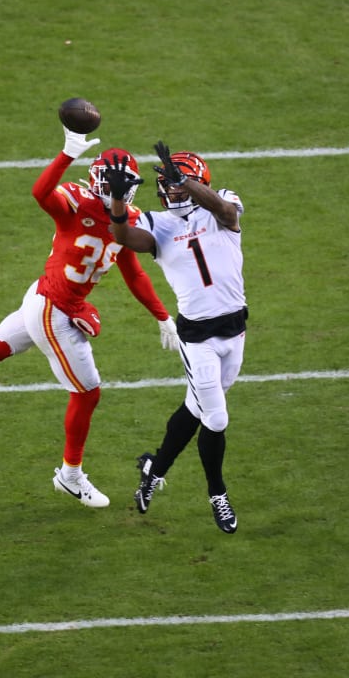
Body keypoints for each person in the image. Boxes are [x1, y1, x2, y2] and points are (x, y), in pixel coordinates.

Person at [0, 125, 181, 509]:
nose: (122, 192)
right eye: (117, 186)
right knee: (87, 391)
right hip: (54, 308)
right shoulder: (76, 203)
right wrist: (66, 153)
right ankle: (70, 475)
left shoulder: (124, 219)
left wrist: (163, 317)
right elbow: (40, 193)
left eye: (125, 186)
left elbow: (133, 272)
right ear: (101, 184)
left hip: (48, 297)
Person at [102, 141, 247, 533]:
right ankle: (218, 493)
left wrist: (190, 183)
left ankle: (154, 468)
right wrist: (117, 199)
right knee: (215, 418)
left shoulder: (223, 206)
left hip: (235, 330)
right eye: (167, 182)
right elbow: (122, 237)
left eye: (177, 183)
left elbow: (223, 210)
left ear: (197, 182)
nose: (170, 190)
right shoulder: (157, 223)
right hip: (197, 336)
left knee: (195, 409)